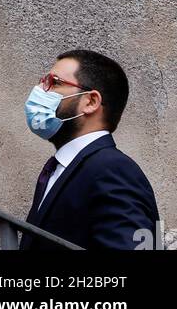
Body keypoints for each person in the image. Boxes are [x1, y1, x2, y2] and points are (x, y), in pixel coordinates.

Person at [20, 49, 159, 251]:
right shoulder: (65, 168)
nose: (40, 90)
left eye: (55, 83)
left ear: (91, 102)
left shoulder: (114, 170)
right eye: (44, 81)